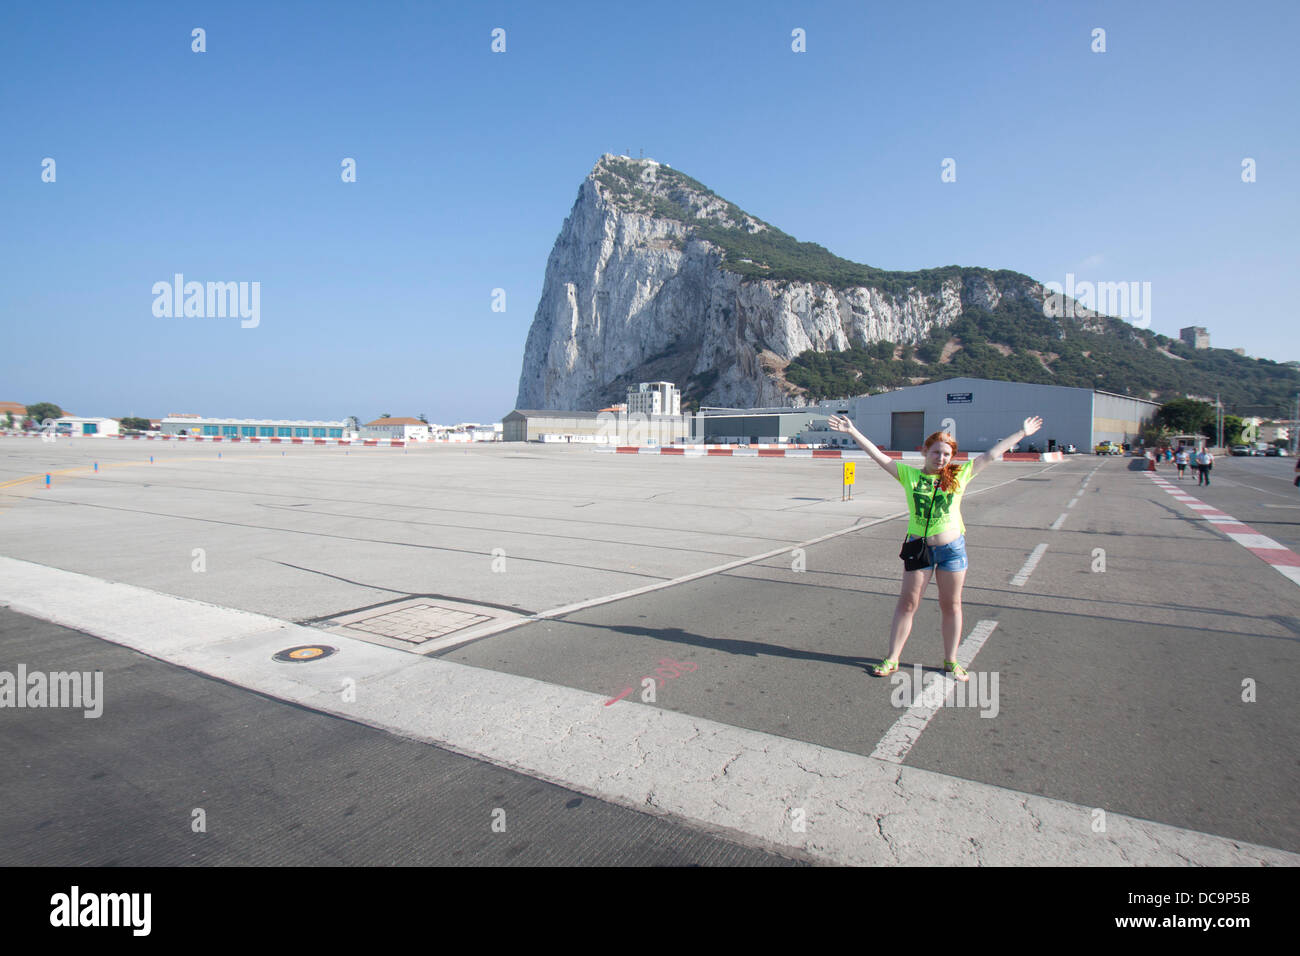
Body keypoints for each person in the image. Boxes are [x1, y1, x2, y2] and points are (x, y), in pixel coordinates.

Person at [827, 413, 1045, 683]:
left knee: (951, 605)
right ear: (924, 452)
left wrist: (1021, 433)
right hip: (919, 549)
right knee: (907, 603)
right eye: (936, 452)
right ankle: (892, 657)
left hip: (952, 550)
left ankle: (951, 661)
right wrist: (853, 432)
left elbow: (991, 455)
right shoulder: (909, 476)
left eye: (946, 454)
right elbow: (878, 457)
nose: (941, 458)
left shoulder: (960, 475)